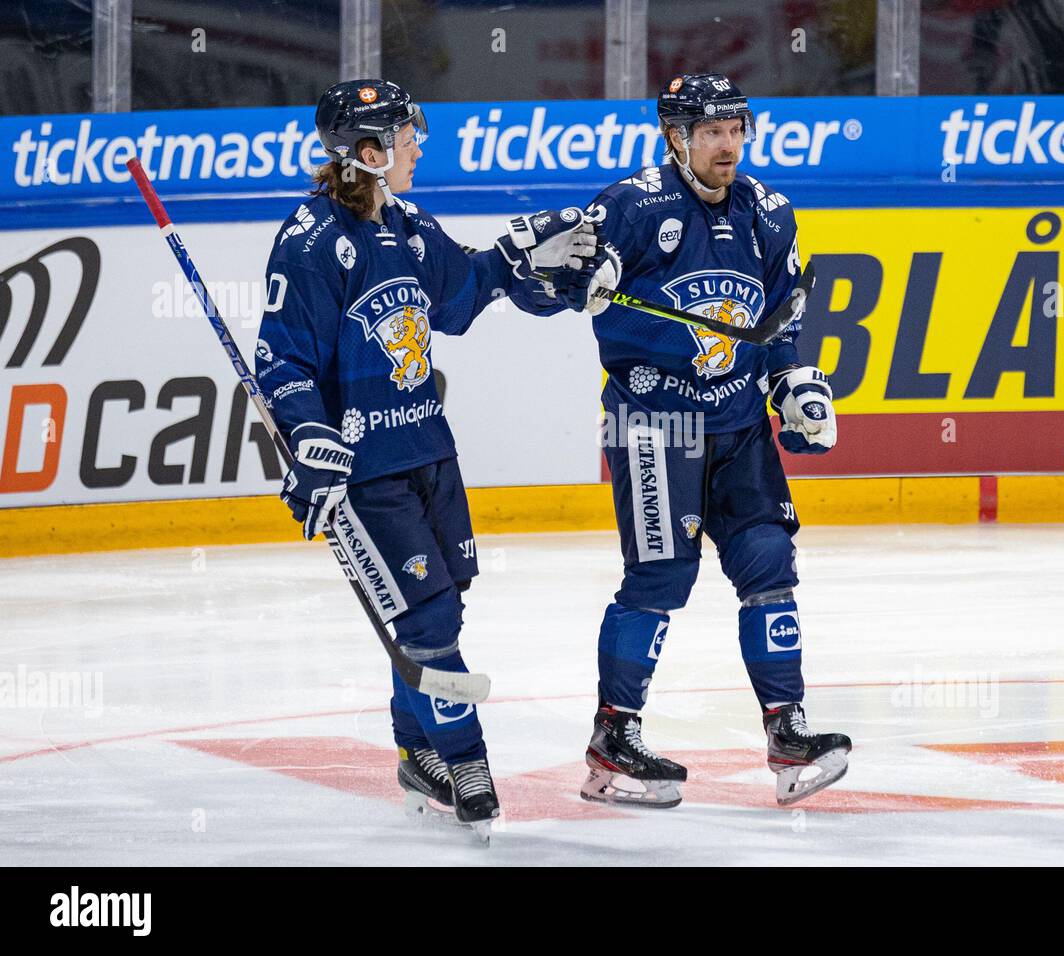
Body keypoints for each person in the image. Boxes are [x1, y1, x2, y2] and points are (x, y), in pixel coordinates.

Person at [255, 79, 597, 838]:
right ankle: (465, 761)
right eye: (405, 137)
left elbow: (460, 297)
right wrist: (310, 439)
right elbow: (279, 360)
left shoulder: (406, 225)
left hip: (430, 453)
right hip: (369, 474)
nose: (419, 145)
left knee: (435, 610)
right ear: (369, 154)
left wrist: (515, 256)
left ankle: (415, 752)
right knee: (430, 620)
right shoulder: (312, 242)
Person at [542, 73, 853, 808]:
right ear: (676, 136)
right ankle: (613, 739)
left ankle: (786, 731)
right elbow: (556, 275)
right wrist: (570, 279)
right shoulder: (629, 205)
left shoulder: (768, 213)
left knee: (769, 563)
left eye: (736, 129)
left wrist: (794, 383)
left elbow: (778, 324)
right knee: (659, 581)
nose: (728, 146)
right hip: (654, 425)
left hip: (738, 426)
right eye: (712, 132)